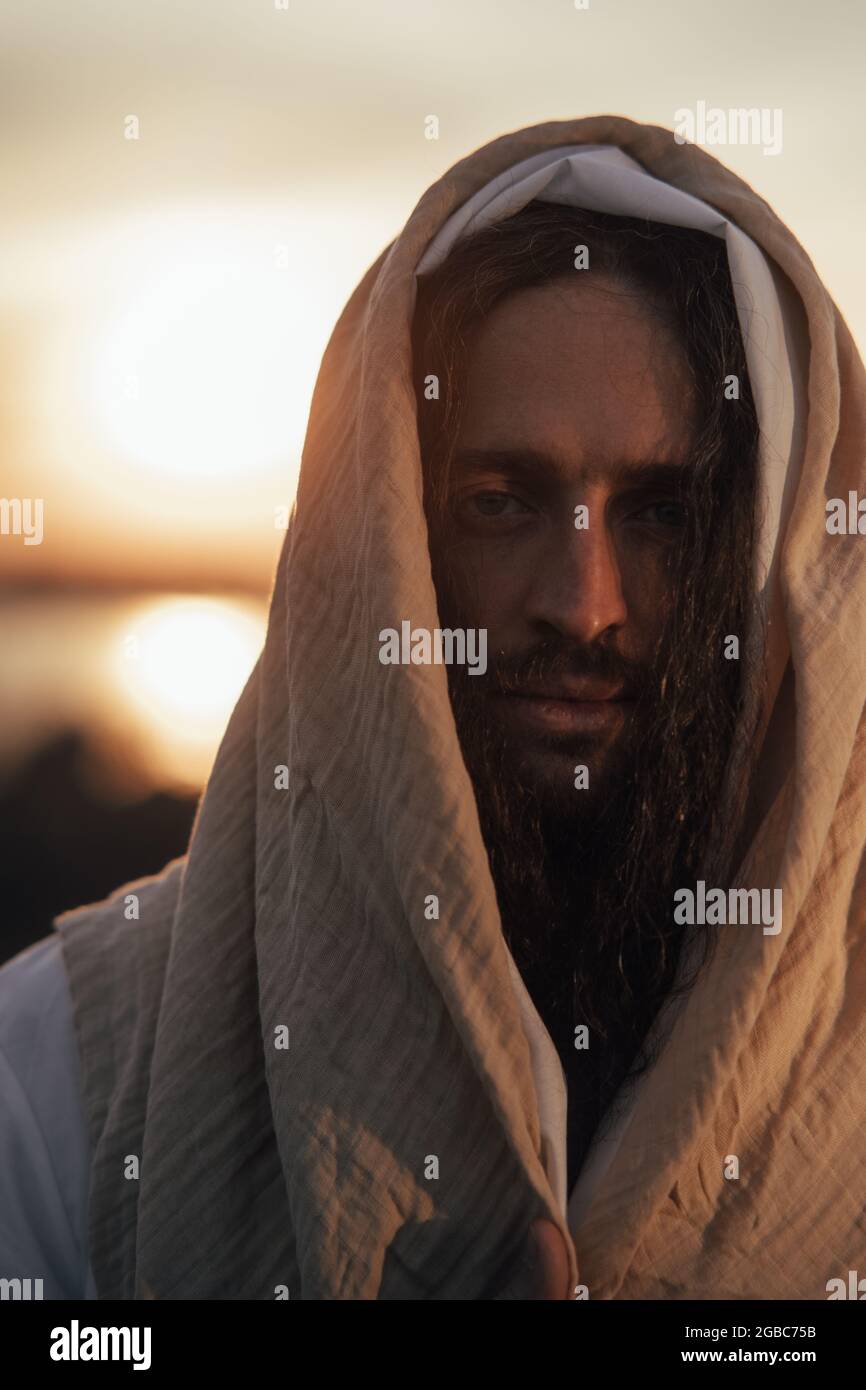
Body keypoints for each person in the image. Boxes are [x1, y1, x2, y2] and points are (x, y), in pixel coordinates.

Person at [1, 116, 864, 1301]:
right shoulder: (55, 1077)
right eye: (502, 501)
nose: (583, 604)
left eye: (662, 513)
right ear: (381, 543)